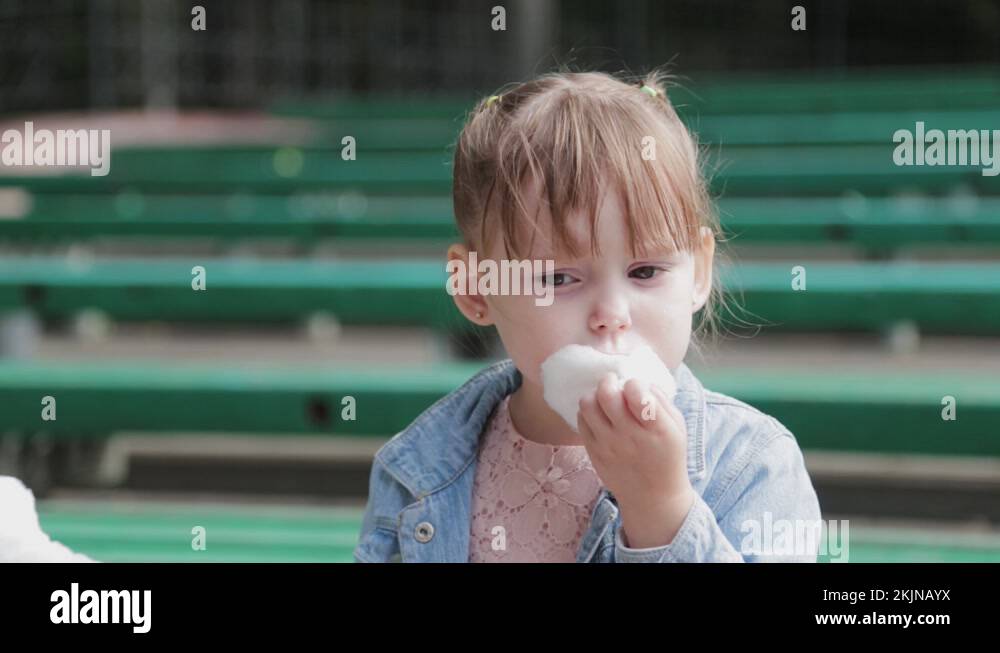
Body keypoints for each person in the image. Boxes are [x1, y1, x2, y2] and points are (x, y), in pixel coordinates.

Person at [354, 68, 822, 562]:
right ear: (474, 286)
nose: (612, 315)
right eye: (558, 279)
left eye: (645, 271)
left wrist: (660, 508)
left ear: (699, 272)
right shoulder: (417, 469)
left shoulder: (752, 465)